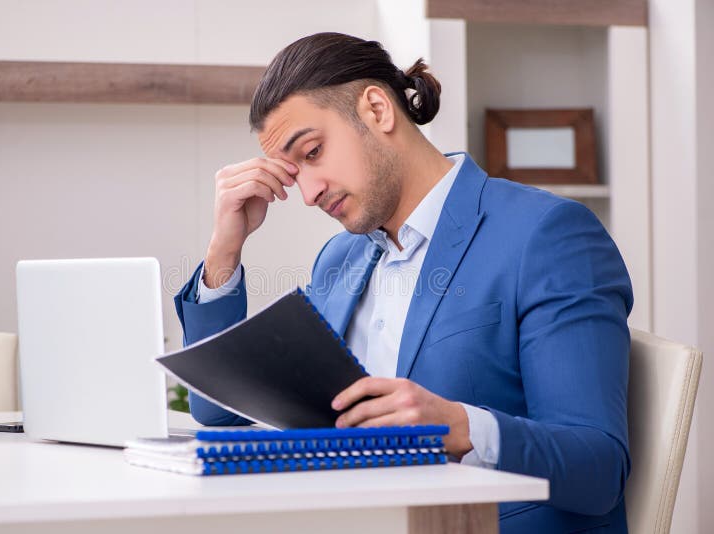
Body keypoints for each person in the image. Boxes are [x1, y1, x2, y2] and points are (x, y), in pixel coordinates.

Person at [174, 32, 633, 533]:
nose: (307, 193)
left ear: (376, 109)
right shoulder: (340, 259)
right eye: (292, 171)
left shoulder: (545, 235)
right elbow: (218, 416)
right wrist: (225, 251)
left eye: (312, 152)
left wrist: (460, 426)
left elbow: (599, 469)